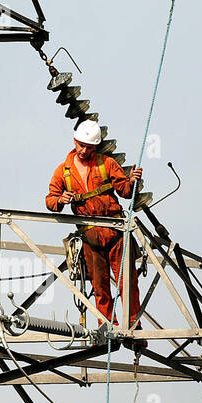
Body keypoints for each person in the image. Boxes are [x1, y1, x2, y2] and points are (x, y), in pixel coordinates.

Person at [45, 121, 143, 329]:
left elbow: (125, 191)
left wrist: (132, 181)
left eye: (89, 147)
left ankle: (133, 324)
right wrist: (61, 200)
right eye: (81, 145)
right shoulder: (63, 171)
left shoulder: (106, 164)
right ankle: (106, 324)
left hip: (116, 232)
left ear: (95, 147)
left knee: (128, 282)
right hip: (91, 237)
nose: (84, 150)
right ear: (75, 141)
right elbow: (50, 200)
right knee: (100, 286)